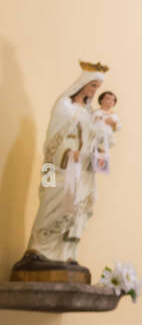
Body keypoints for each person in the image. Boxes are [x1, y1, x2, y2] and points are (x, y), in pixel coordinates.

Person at [11, 62, 106, 279]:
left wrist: (98, 148)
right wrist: (67, 153)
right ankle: (38, 249)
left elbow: (91, 139)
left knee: (76, 208)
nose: (94, 92)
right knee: (52, 201)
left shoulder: (89, 113)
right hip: (58, 166)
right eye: (92, 86)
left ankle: (65, 253)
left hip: (80, 169)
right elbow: (52, 139)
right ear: (82, 84)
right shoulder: (65, 106)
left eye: (97, 87)